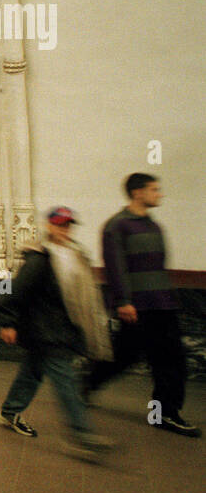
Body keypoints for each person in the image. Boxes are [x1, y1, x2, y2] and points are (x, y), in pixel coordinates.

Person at [83, 174, 200, 437]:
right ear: (137, 193)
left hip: (162, 304)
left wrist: (169, 299)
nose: (159, 194)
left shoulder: (153, 226)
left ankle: (164, 413)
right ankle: (87, 383)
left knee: (170, 360)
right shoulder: (117, 226)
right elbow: (116, 267)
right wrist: (123, 301)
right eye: (154, 190)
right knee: (125, 356)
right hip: (138, 306)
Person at [0, 207, 115, 457]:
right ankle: (82, 433)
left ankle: (9, 412)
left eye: (68, 225)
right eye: (60, 225)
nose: (64, 229)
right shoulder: (39, 258)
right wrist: (7, 321)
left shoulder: (75, 253)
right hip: (45, 329)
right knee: (66, 380)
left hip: (64, 327)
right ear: (49, 226)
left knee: (32, 372)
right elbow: (16, 290)